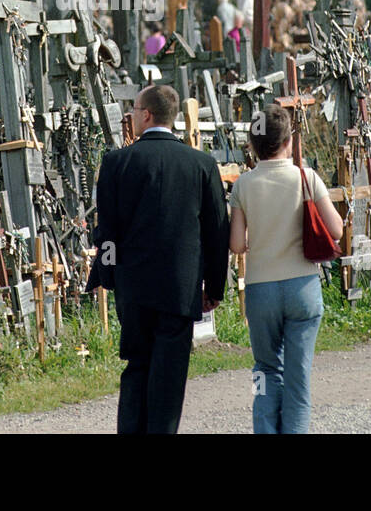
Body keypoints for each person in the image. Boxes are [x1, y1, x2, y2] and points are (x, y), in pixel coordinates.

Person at [87, 84, 229, 434]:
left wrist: (109, 277)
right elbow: (216, 231)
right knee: (169, 374)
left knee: (137, 366)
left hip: (133, 287)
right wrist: (214, 286)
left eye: (134, 110)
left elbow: (107, 230)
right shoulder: (202, 164)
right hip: (179, 288)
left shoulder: (117, 162)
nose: (131, 116)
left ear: (146, 114)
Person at [229, 104, 342, 434]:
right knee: (298, 375)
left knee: (264, 370)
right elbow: (334, 230)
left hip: (261, 288)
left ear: (252, 144)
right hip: (302, 287)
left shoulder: (243, 185)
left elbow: (237, 244)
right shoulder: (306, 177)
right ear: (288, 142)